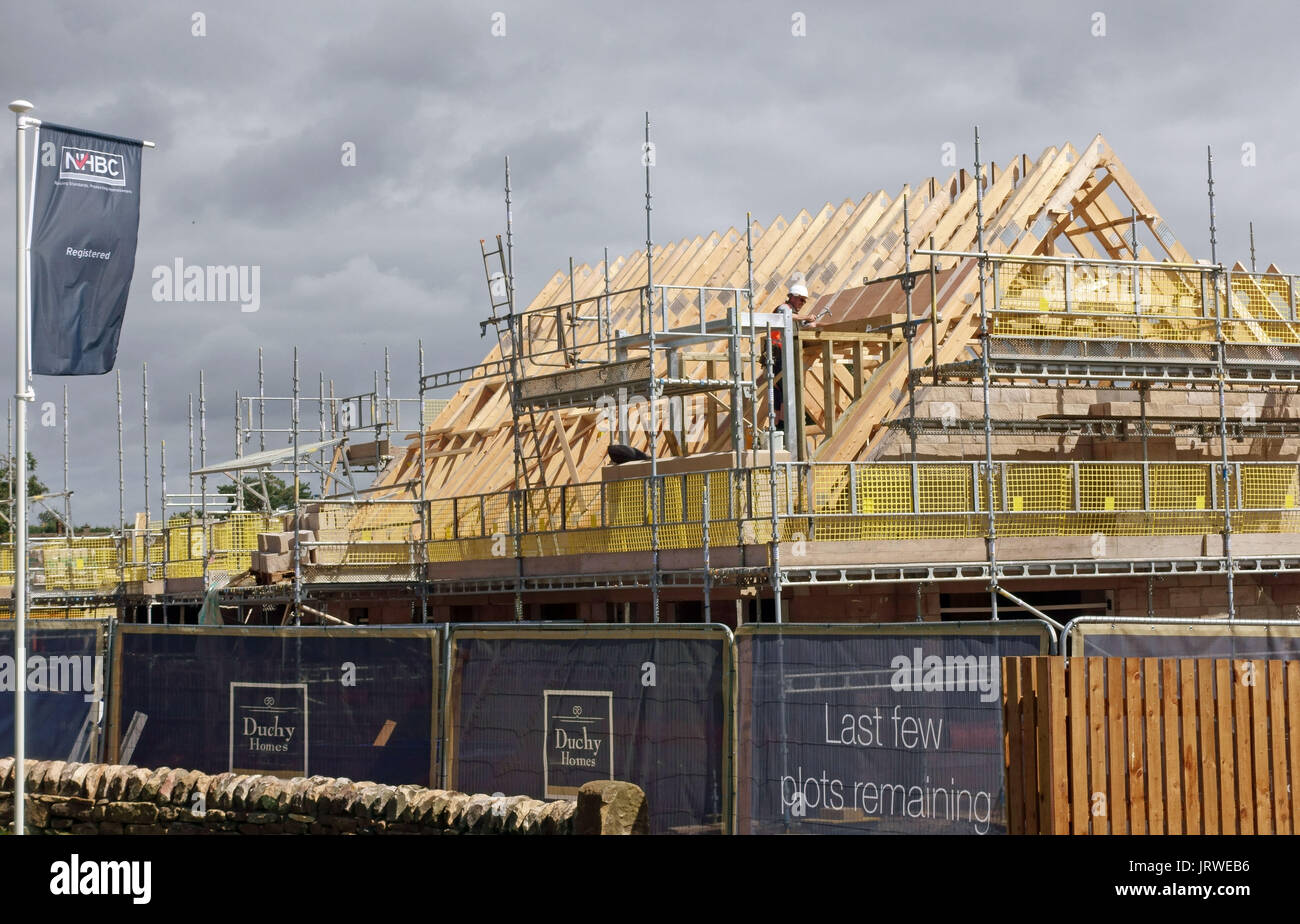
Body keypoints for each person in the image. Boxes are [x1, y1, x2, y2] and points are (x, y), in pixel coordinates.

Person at [768, 282, 822, 429]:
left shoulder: (793, 315)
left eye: (804, 301)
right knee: (784, 391)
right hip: (777, 356)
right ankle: (783, 425)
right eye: (801, 300)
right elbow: (786, 316)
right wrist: (805, 317)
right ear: (792, 297)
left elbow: (794, 327)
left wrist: (808, 325)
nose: (803, 303)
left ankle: (781, 425)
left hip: (785, 356)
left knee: (784, 394)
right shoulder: (783, 308)